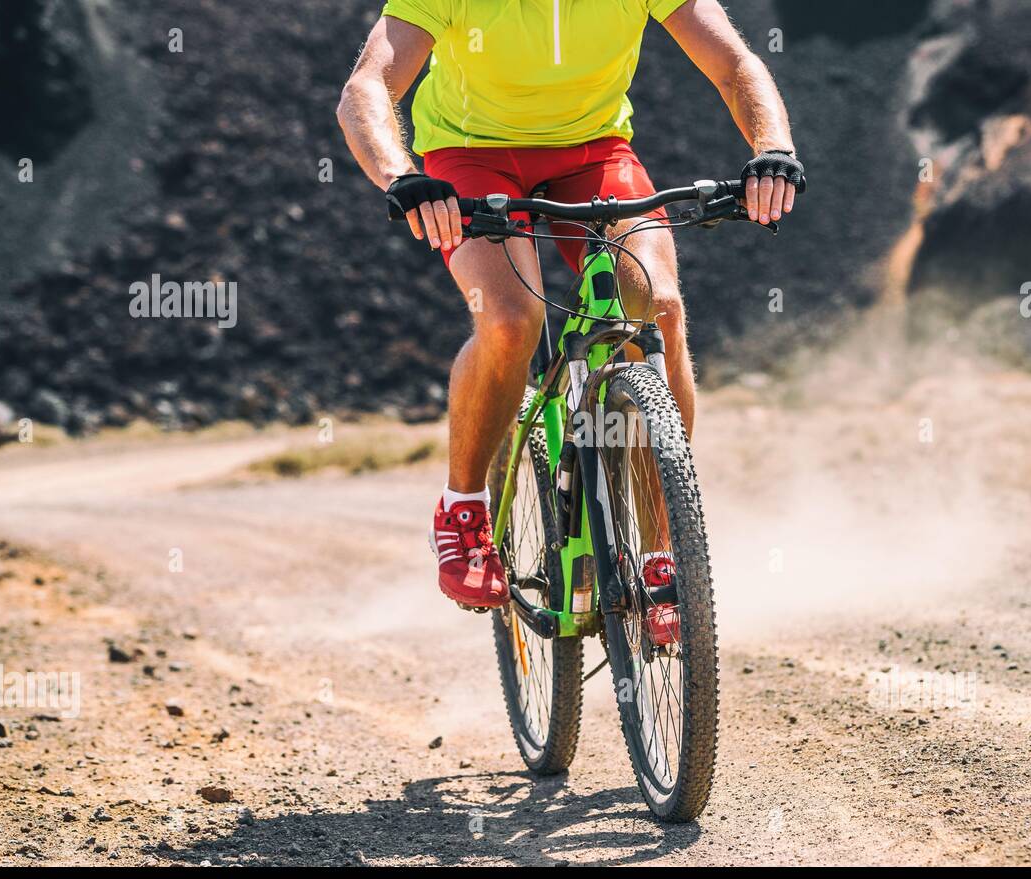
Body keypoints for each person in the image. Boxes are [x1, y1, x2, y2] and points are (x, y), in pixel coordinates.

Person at [337, 0, 805, 640]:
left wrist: (772, 147)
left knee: (658, 306)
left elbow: (733, 64)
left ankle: (663, 555)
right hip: (470, 156)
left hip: (594, 156)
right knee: (508, 318)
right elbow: (367, 86)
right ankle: (464, 509)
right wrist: (402, 177)